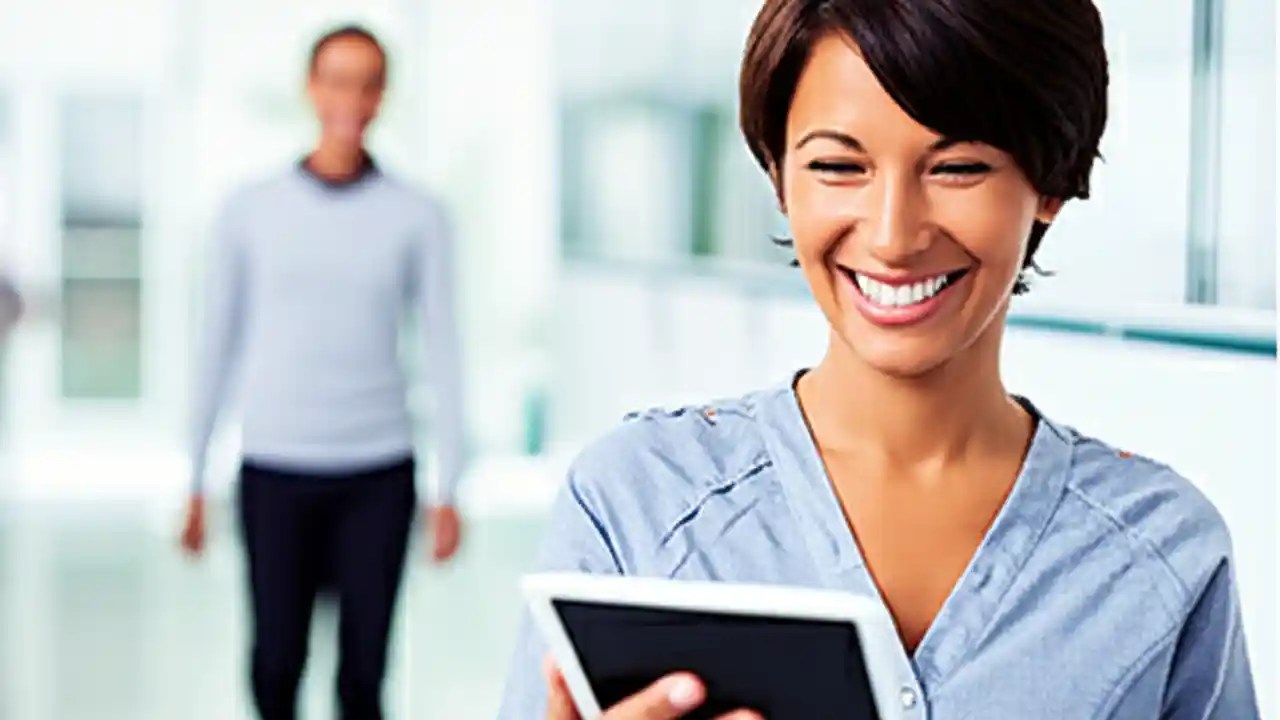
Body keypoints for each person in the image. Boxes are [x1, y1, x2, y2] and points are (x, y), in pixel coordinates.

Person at [498, 1, 1261, 718]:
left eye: (957, 168)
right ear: (779, 177)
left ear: (1052, 180)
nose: (894, 237)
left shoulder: (1163, 550)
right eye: (838, 167)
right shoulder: (636, 503)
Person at [179, 25, 466, 720]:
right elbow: (216, 343)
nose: (352, 100)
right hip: (276, 469)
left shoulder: (418, 215)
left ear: (383, 96)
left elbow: (444, 351)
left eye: (368, 84)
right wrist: (193, 477)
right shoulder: (248, 210)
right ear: (310, 88)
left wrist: (450, 485)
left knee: (364, 678)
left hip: (378, 474)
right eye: (337, 81)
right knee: (276, 664)